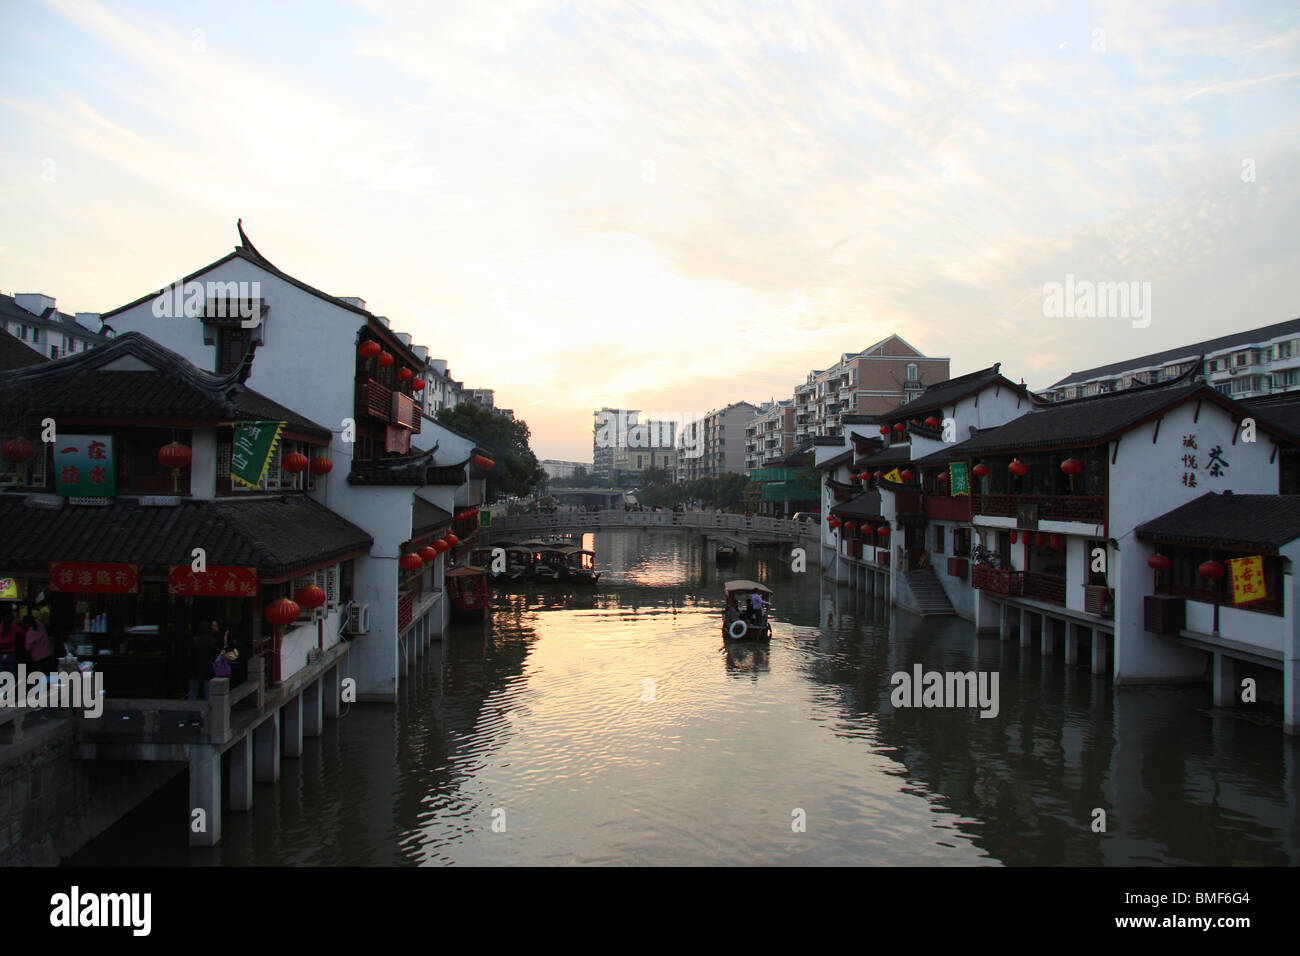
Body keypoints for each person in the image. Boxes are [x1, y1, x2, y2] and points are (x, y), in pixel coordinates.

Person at [189, 620, 219, 700]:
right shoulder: (213, 641)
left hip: (196, 666)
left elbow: (191, 655)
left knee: (193, 691)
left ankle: (190, 711)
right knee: (208, 691)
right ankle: (208, 711)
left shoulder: (194, 640)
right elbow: (214, 656)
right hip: (208, 666)